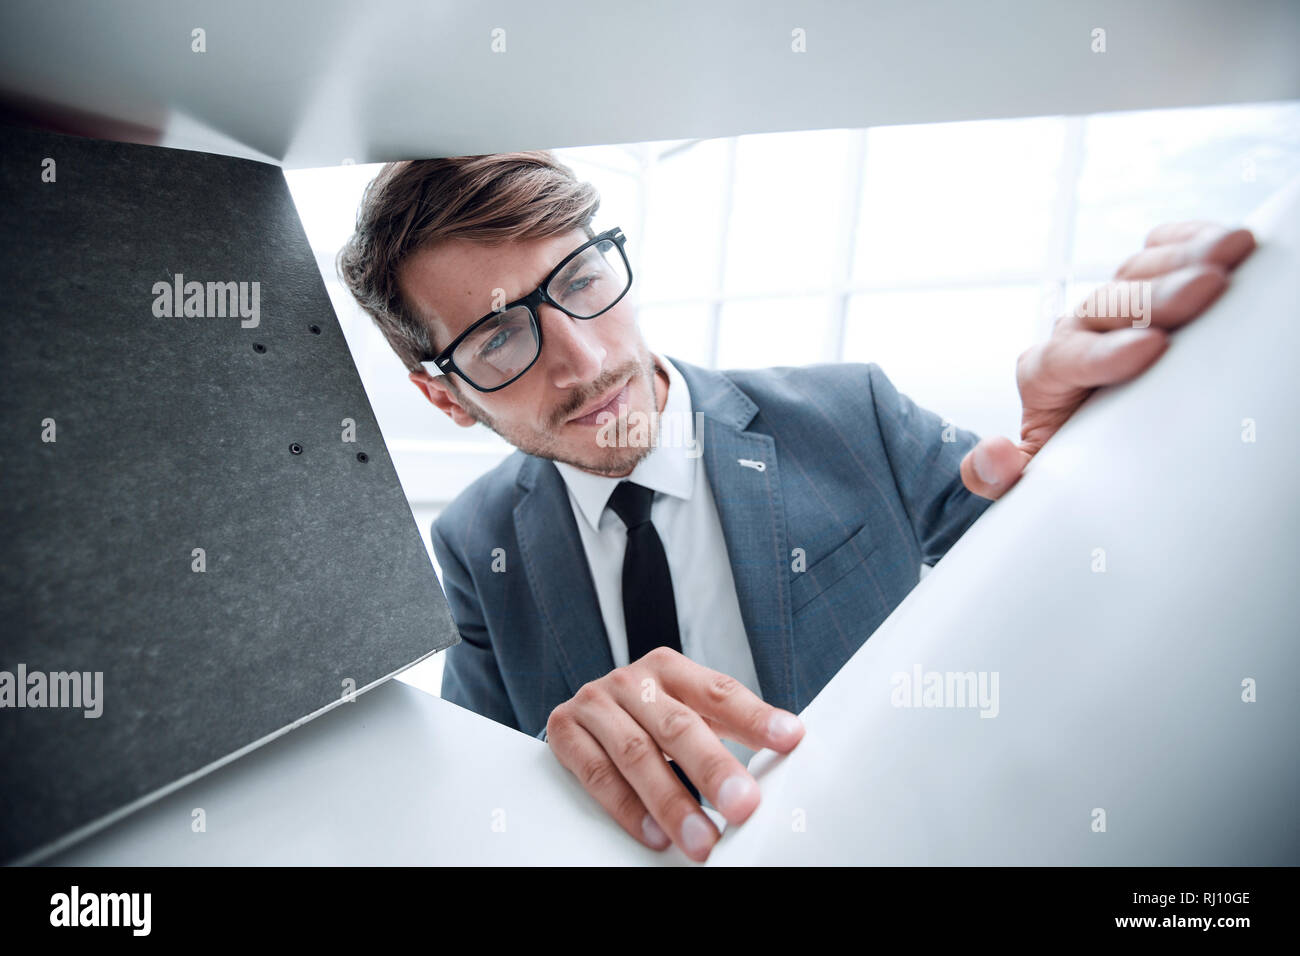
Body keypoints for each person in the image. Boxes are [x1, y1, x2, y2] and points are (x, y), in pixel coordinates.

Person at [337, 150, 1255, 862]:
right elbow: (485, 813)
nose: (583, 359)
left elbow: (1088, 607)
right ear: (446, 399)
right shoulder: (472, 543)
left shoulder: (852, 414)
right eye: (500, 337)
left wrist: (1091, 470)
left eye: (578, 280)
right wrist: (555, 759)